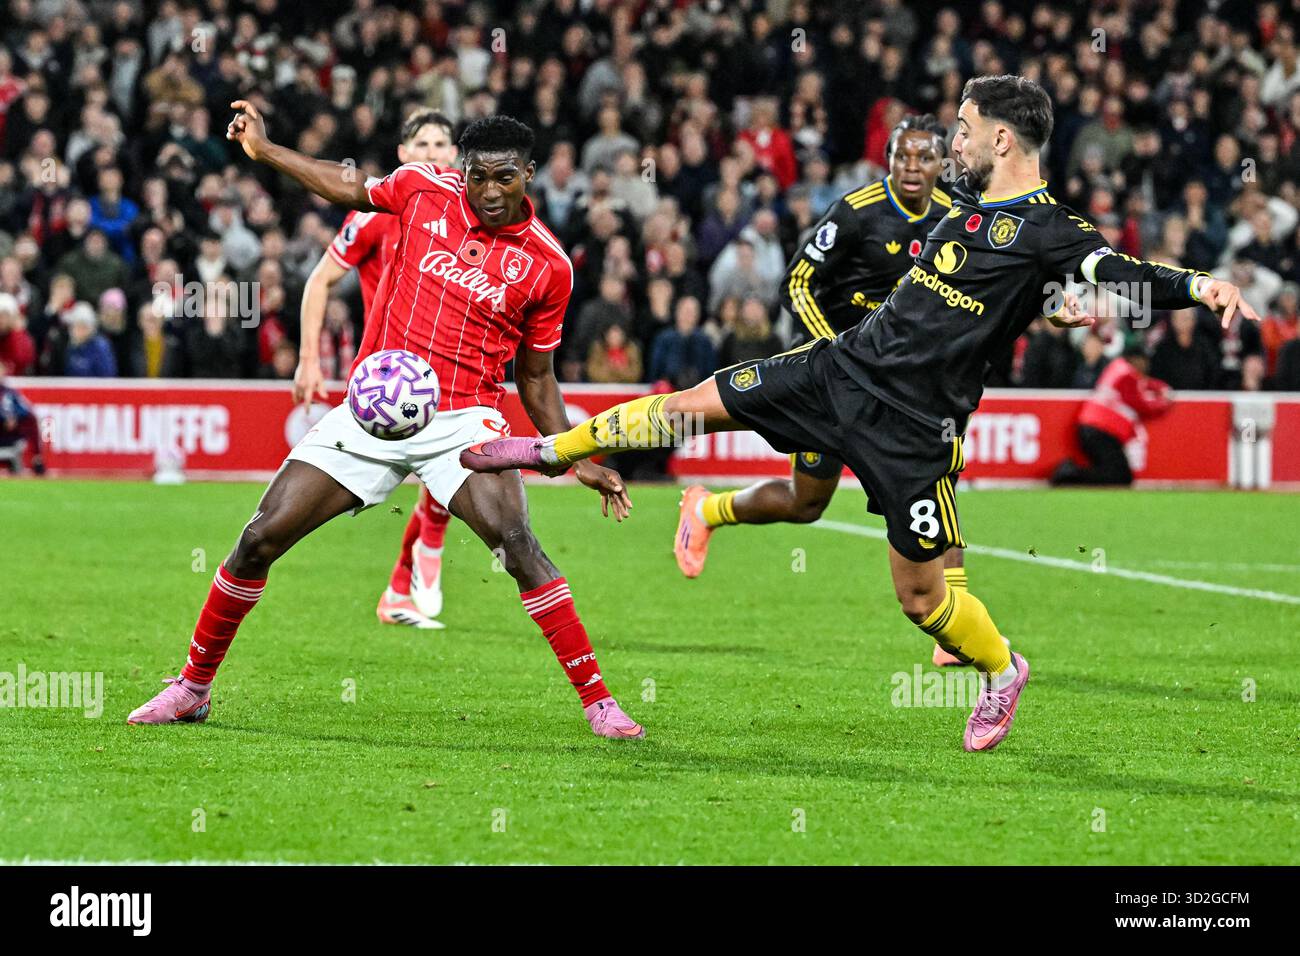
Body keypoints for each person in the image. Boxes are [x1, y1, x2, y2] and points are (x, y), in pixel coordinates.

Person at [462, 76, 1257, 752]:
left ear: (1005, 141)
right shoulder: (966, 208)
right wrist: (1052, 307)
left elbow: (1114, 269)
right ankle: (548, 451)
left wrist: (1200, 287)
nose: (954, 143)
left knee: (924, 600)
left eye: (966, 130)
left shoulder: (1052, 227)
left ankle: (1002, 669)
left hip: (914, 428)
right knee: (697, 404)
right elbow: (1007, 295)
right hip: (841, 368)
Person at [128, 105, 645, 742]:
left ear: (529, 175)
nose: (487, 190)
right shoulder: (422, 189)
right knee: (258, 538)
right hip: (370, 413)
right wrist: (265, 151)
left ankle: (600, 704)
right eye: (476, 174)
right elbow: (346, 185)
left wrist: (580, 458)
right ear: (462, 168)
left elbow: (536, 379)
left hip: (464, 422)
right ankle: (192, 688)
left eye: (503, 178)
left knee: (519, 547)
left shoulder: (549, 266)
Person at [677, 115, 979, 667]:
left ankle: (950, 633)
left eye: (924, 158)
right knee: (806, 503)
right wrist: (835, 355)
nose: (912, 168)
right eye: (902, 157)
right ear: (887, 159)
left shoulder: (954, 219)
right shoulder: (858, 211)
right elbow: (799, 280)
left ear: (943, 164)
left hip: (904, 387)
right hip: (835, 379)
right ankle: (708, 509)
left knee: (938, 479)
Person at [295, 109, 458, 630]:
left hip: (445, 369)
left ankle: (400, 586)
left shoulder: (467, 216)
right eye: (423, 144)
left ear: (456, 155)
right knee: (334, 494)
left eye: (442, 143)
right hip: (384, 378)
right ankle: (413, 564)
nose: (433, 152)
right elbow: (319, 281)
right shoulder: (374, 215)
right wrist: (308, 359)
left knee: (457, 469)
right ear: (403, 156)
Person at [1050, 343, 1172, 486]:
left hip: (1093, 428)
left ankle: (1071, 475)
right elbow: (1142, 405)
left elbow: (1143, 384)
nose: (1146, 366)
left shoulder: (1117, 368)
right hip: (1101, 430)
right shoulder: (1128, 375)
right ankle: (1069, 473)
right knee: (1120, 476)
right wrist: (1164, 402)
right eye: (1144, 361)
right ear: (1136, 360)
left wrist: (1160, 387)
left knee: (1114, 473)